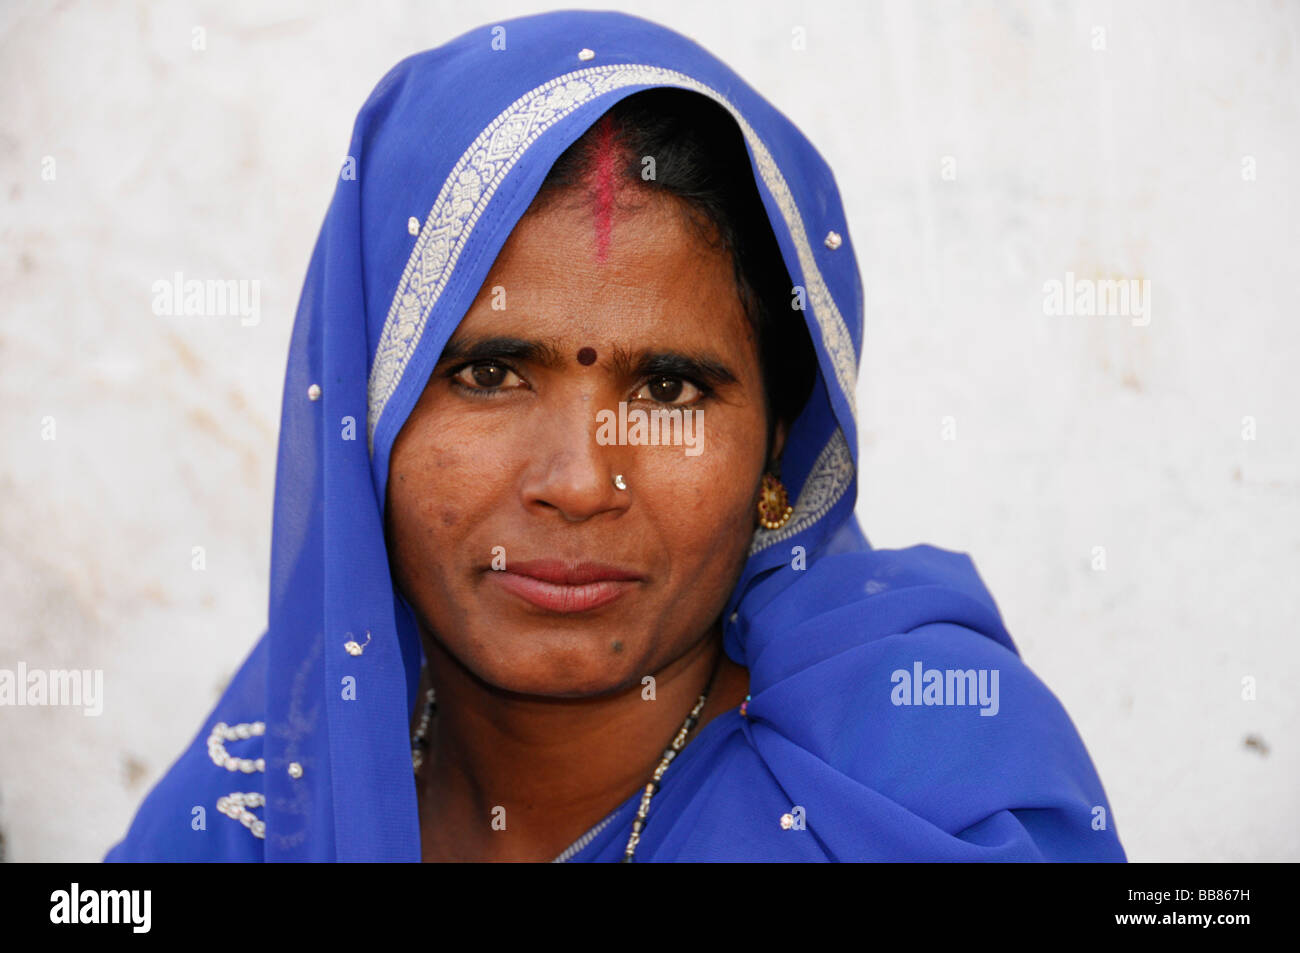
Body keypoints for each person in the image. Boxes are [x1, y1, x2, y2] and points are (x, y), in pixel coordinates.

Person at [105, 10, 1125, 862]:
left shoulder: (922, 791)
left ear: (776, 443)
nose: (581, 480)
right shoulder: (268, 790)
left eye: (672, 386)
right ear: (364, 424)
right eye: (490, 373)